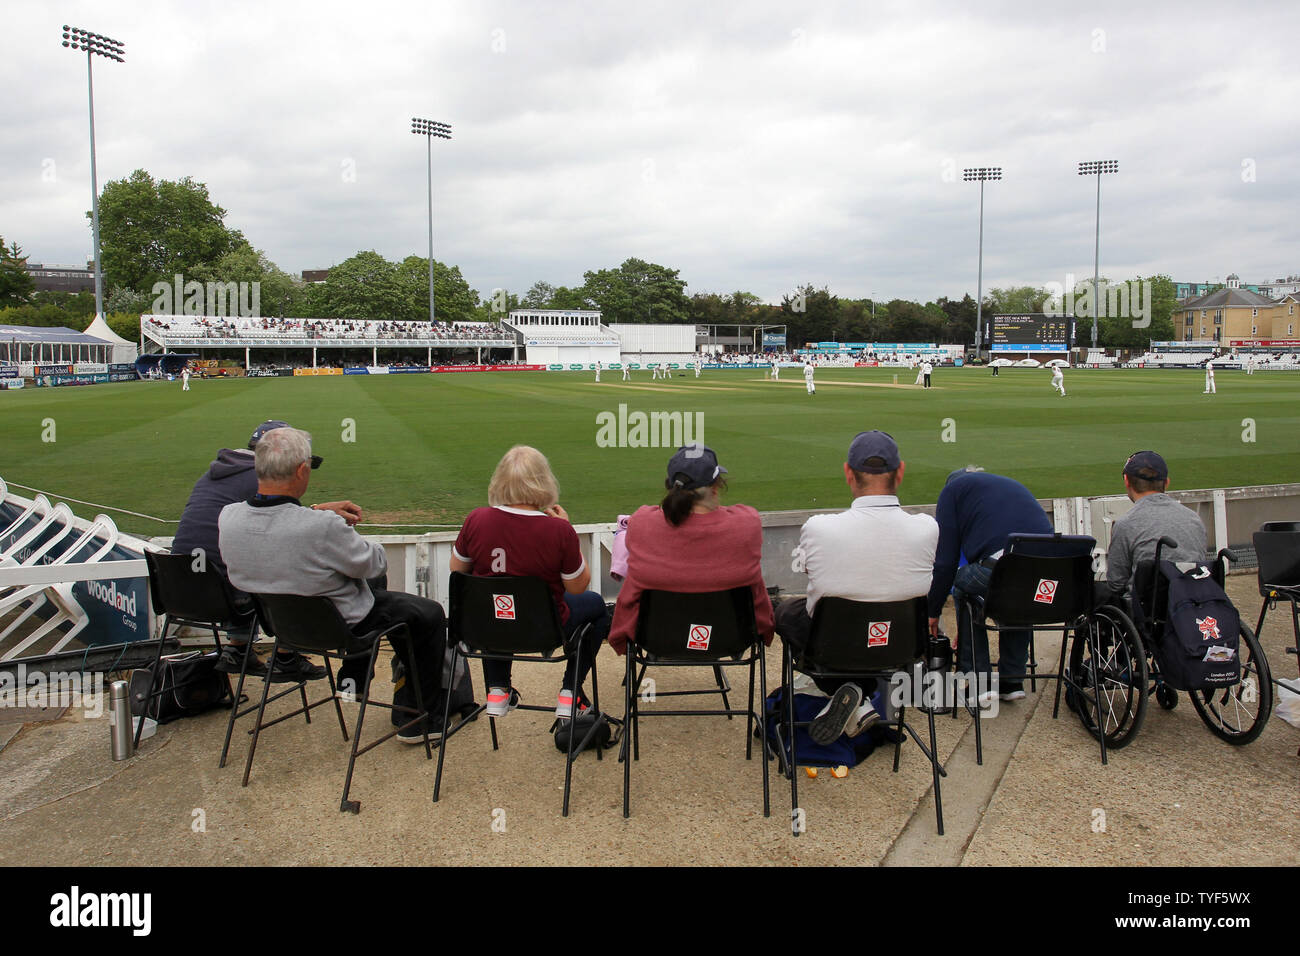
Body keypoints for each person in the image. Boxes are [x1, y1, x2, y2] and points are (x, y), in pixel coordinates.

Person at [218, 427, 446, 741]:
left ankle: (354, 679)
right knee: (428, 613)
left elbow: (277, 528)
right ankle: (423, 719)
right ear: (301, 470)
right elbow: (374, 561)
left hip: (281, 625)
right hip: (341, 625)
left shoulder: (228, 517)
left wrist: (317, 513)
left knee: (372, 585)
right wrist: (335, 525)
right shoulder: (322, 527)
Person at [776, 431, 938, 743]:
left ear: (848, 473)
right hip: (899, 646)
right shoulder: (927, 529)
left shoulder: (819, 528)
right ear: (900, 472)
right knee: (863, 625)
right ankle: (859, 700)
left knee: (787, 612)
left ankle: (852, 697)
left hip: (833, 646)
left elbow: (815, 583)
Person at [172, 419, 361, 678]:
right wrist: (321, 516)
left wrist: (317, 510)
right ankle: (286, 656)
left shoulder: (218, 472)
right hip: (224, 593)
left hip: (178, 587)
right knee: (287, 569)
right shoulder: (264, 477)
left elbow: (274, 519)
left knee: (248, 560)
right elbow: (286, 533)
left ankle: (238, 650)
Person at [449, 445, 608, 719]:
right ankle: (570, 692)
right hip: (546, 629)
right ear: (543, 481)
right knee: (596, 606)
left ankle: (497, 689)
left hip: (491, 625)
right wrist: (568, 531)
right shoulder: (559, 530)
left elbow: (457, 572)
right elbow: (577, 587)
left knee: (496, 604)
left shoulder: (476, 519)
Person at [609, 444, 774, 662]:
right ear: (715, 487)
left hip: (656, 637)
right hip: (732, 636)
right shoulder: (746, 523)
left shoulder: (642, 522)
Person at [927, 467, 1053, 703]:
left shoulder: (952, 492)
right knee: (1017, 590)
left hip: (1004, 567)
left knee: (963, 585)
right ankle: (1012, 679)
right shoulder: (1004, 485)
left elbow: (945, 564)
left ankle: (979, 681)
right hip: (1047, 573)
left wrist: (932, 611)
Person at [1104, 451, 1207, 607]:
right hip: (1194, 600)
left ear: (1127, 482)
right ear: (1166, 482)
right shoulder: (1194, 518)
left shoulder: (1125, 524)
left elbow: (1116, 583)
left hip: (1147, 610)